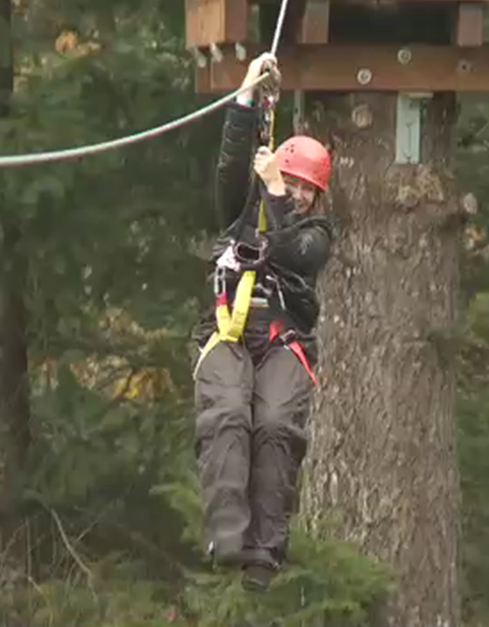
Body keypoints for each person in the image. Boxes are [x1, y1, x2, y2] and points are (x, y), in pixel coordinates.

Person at [191, 52, 334, 592]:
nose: (295, 192)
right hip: (227, 331)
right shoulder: (239, 210)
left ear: (317, 195)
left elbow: (289, 252)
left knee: (275, 425)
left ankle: (263, 553)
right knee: (228, 412)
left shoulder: (315, 235)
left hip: (282, 342)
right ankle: (227, 529)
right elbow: (231, 166)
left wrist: (274, 194)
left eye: (304, 188)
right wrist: (246, 97)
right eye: (290, 183)